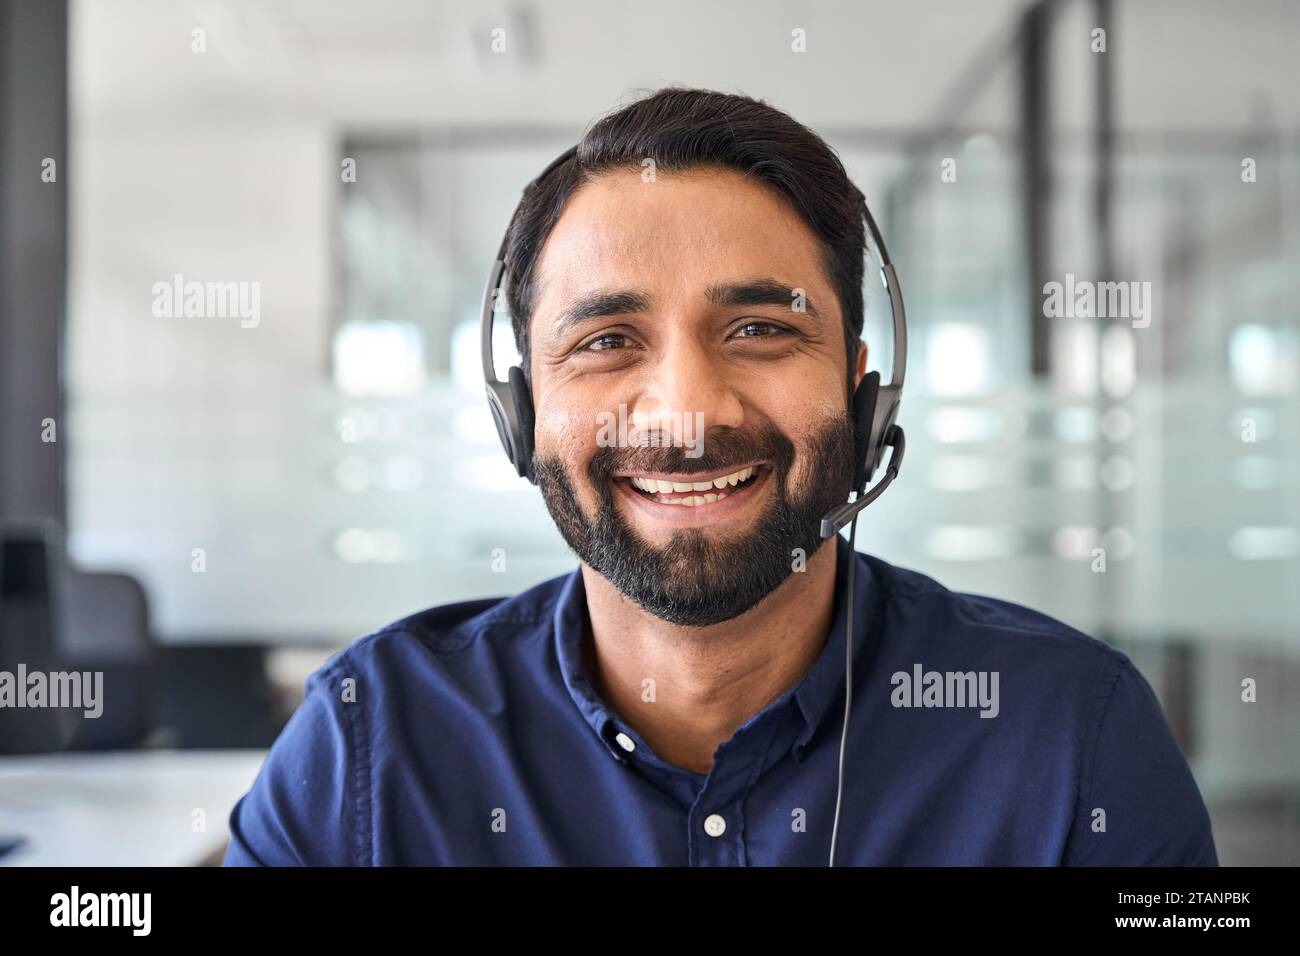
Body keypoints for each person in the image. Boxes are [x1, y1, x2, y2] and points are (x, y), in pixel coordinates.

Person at [224, 87, 1217, 866]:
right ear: (521, 412)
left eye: (758, 329)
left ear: (862, 394)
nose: (686, 411)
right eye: (607, 340)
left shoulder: (1072, 733)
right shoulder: (368, 743)